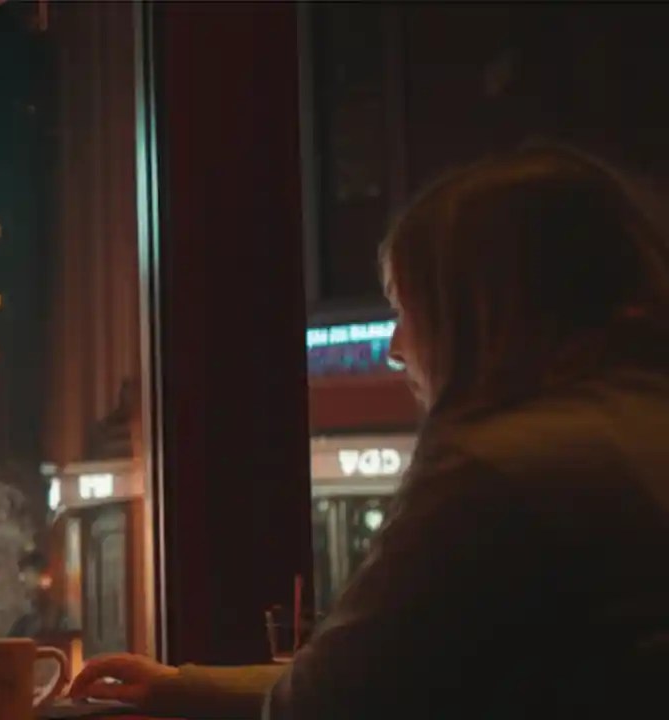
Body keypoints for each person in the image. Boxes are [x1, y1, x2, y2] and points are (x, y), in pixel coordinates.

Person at [68, 144, 669, 719]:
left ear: (475, 315)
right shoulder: (630, 431)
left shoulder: (495, 470)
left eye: (407, 312)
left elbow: (328, 703)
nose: (395, 349)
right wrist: (185, 685)